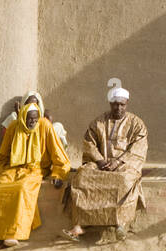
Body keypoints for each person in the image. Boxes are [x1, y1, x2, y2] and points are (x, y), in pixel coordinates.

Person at [63, 86, 148, 241]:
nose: (118, 108)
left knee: (124, 180)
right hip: (100, 162)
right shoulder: (98, 122)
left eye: (122, 104)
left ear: (127, 103)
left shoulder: (137, 124)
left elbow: (138, 148)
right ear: (110, 103)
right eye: (115, 104)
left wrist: (118, 162)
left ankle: (120, 224)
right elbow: (89, 143)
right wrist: (100, 160)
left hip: (125, 164)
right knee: (82, 177)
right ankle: (79, 226)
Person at [0, 97, 70, 251]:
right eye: (29, 119)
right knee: (2, 189)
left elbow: (59, 154)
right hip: (13, 169)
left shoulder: (45, 125)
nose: (32, 122)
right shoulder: (13, 127)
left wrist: (58, 174)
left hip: (36, 169)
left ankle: (14, 234)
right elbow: (3, 155)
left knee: (23, 188)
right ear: (23, 117)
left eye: (35, 119)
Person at [2, 91, 70, 151]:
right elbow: (7, 135)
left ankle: (60, 153)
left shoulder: (40, 117)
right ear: (24, 104)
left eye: (35, 104)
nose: (32, 107)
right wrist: (19, 115)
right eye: (29, 104)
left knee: (58, 126)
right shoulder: (14, 116)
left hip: (39, 146)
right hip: (23, 146)